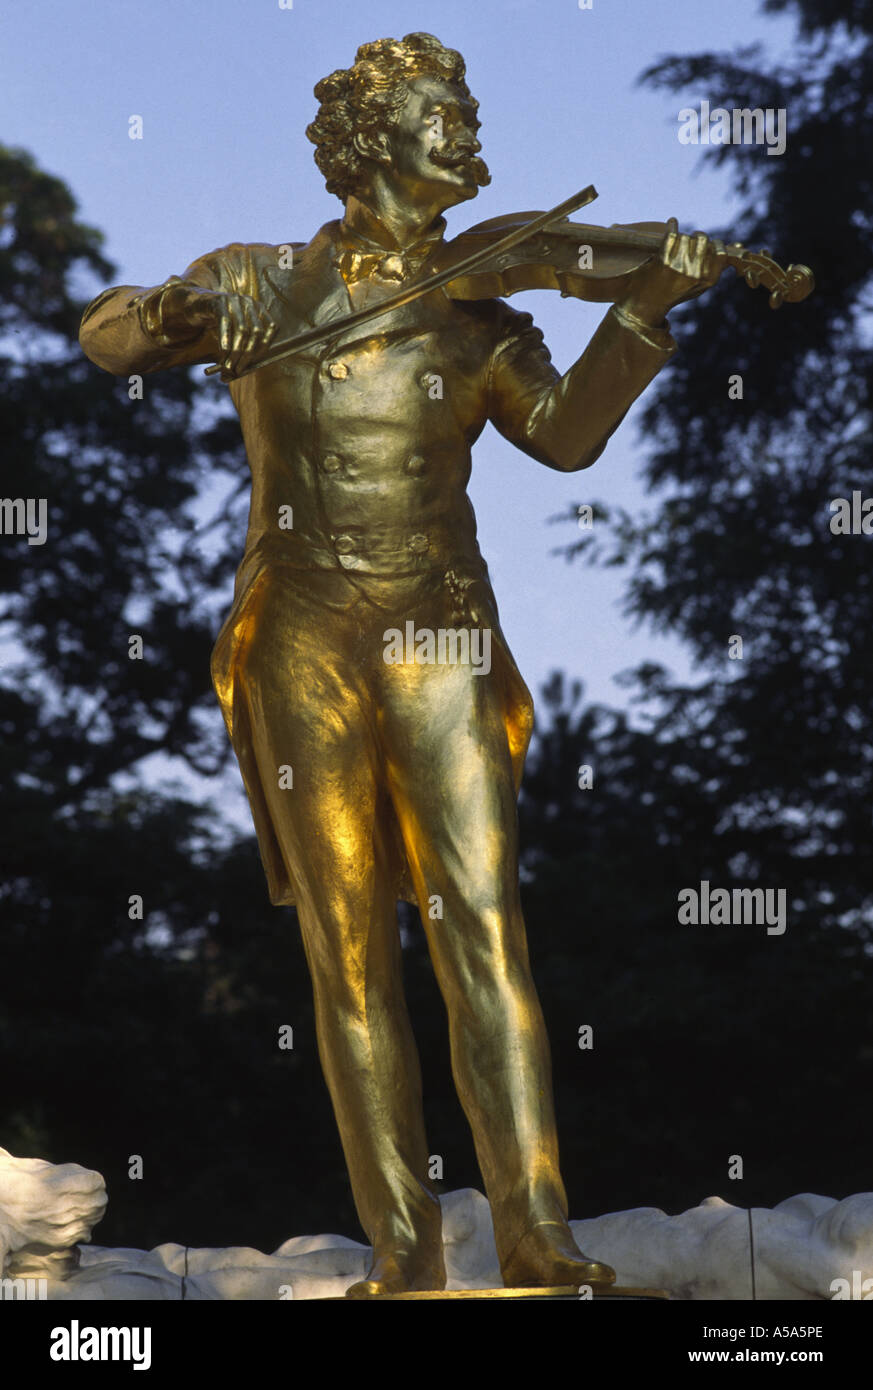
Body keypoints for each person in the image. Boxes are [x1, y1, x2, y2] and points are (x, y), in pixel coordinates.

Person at [80, 32, 722, 1296]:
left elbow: (571, 439)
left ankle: (538, 1233)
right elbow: (105, 337)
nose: (468, 131)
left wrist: (644, 307)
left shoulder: (485, 312)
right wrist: (165, 314)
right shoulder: (256, 283)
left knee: (484, 928)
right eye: (445, 112)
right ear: (373, 140)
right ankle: (405, 1253)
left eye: (468, 109)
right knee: (349, 947)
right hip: (298, 631)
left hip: (440, 627)